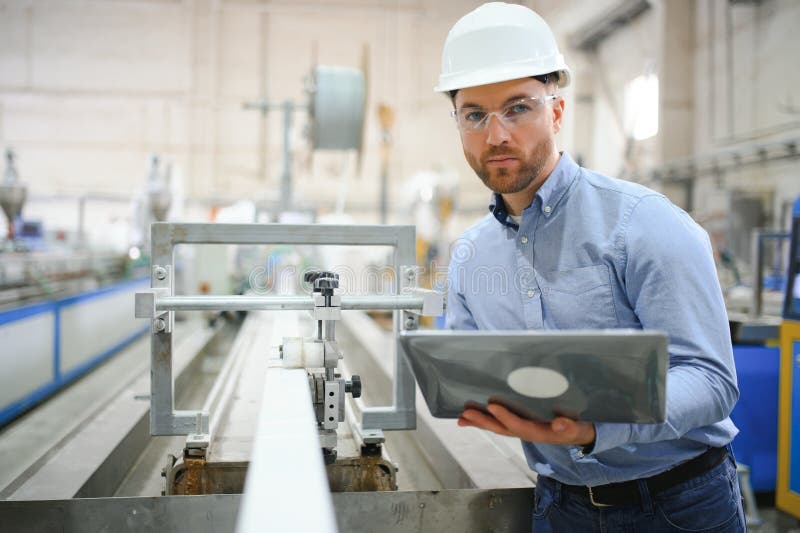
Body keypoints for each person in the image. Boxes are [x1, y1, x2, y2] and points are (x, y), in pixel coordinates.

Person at [438, 3, 745, 531]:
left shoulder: (643, 223)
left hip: (677, 505)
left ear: (557, 112)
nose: (496, 135)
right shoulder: (470, 254)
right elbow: (470, 372)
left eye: (517, 108)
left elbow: (711, 379)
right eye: (474, 115)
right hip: (560, 507)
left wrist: (595, 428)